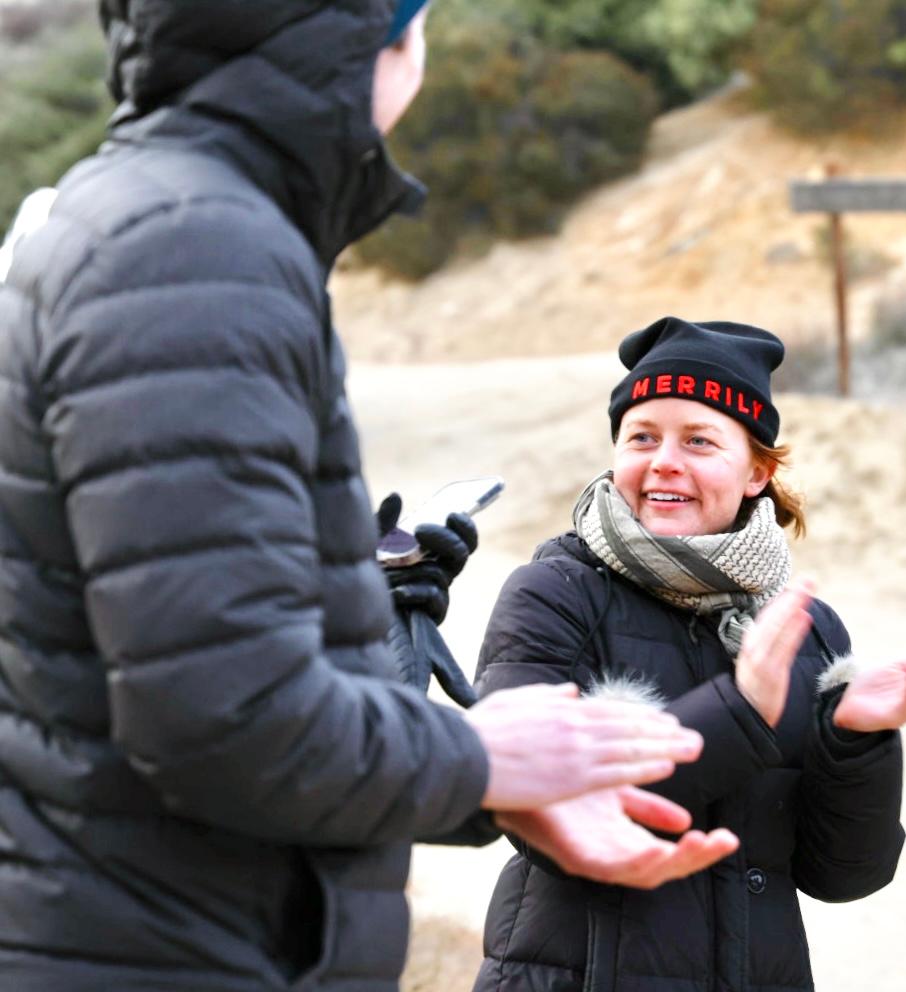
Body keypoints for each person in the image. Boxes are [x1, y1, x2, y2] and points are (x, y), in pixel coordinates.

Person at [0, 3, 735, 989]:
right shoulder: (195, 254)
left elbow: (189, 666)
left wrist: (487, 794)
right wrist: (481, 757)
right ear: (359, 37)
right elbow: (222, 716)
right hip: (177, 949)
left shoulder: (153, 220)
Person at [471, 315, 906, 991]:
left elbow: (845, 875)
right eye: (642, 437)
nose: (664, 460)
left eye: (699, 440)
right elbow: (530, 807)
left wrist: (858, 742)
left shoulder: (807, 629)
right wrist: (741, 709)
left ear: (757, 470)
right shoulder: (555, 593)